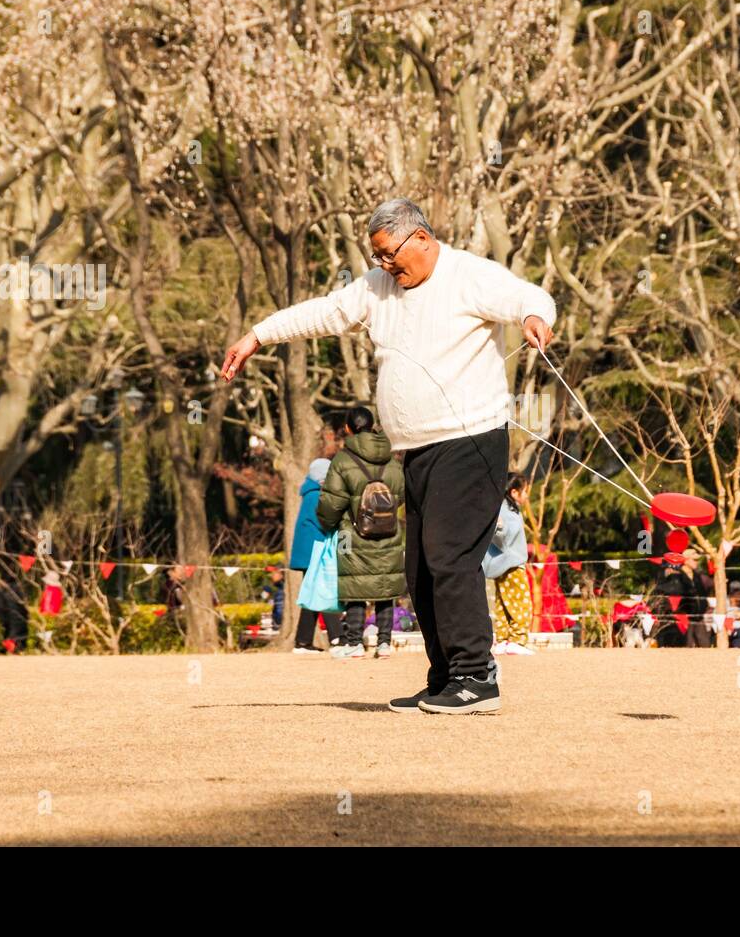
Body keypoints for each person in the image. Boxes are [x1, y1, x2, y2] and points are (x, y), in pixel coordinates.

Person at [221, 197, 555, 714]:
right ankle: (446, 676)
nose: (385, 266)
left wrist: (535, 316)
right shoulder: (378, 289)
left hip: (471, 441)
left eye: (389, 254)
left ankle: (477, 676)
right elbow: (326, 312)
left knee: (450, 555)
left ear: (421, 237)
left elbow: (525, 296)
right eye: (377, 257)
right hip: (417, 452)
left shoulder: (468, 275)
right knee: (418, 567)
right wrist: (258, 335)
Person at [315, 406, 407, 660]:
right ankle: (384, 644)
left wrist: (327, 522)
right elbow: (400, 493)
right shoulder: (391, 459)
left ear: (348, 428)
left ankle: (354, 643)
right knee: (385, 586)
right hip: (389, 532)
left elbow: (331, 503)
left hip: (351, 533)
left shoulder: (344, 460)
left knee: (353, 586)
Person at [484, 473, 536, 656]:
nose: (527, 495)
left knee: (503, 602)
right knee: (521, 602)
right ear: (514, 492)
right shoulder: (505, 510)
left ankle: (504, 639)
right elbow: (500, 535)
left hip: (503, 563)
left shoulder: (508, 508)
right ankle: (517, 639)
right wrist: (498, 528)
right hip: (511, 563)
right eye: (525, 491)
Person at [290, 456, 337, 654]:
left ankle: (302, 641)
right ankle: (338, 637)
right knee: (323, 592)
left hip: (307, 553)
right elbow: (325, 521)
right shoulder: (316, 496)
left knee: (313, 595)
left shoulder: (309, 494)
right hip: (314, 552)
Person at [653, 546, 714, 646]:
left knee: (705, 645)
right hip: (684, 617)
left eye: (697, 560)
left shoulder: (697, 575)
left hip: (699, 616)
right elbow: (670, 592)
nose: (697, 562)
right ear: (685, 560)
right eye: (694, 560)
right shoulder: (676, 575)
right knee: (687, 645)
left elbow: (704, 591)